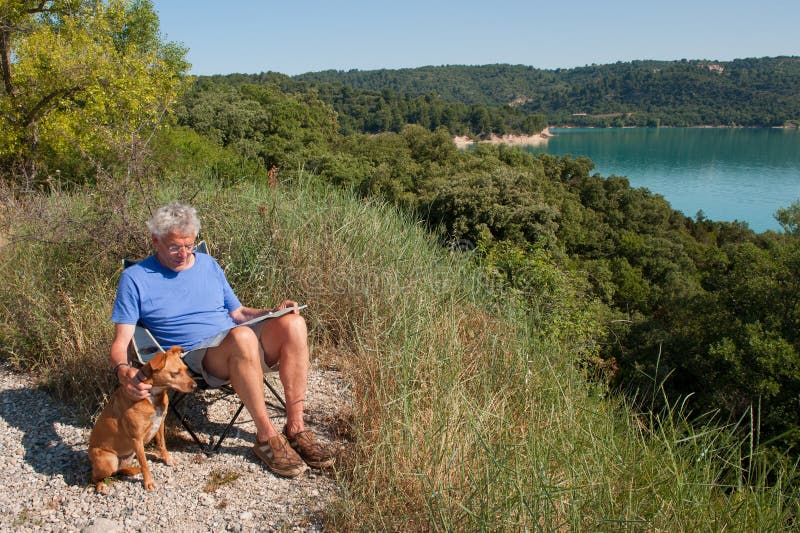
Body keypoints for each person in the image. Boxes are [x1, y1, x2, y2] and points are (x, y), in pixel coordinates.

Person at [109, 201, 332, 478]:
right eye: (174, 247)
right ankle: (266, 437)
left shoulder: (208, 264)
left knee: (294, 325)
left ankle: (295, 428)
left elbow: (238, 312)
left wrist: (272, 312)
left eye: (189, 245)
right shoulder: (135, 278)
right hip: (196, 357)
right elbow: (122, 341)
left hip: (237, 340)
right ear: (155, 240)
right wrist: (122, 370)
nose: (184, 253)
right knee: (241, 337)